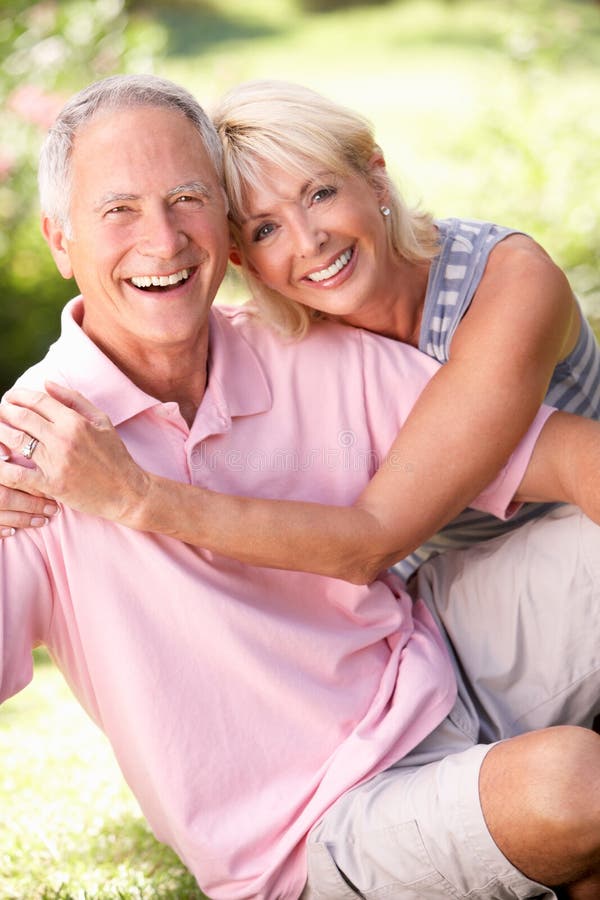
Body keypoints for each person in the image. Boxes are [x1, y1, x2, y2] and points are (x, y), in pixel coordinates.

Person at [1, 73, 600, 900]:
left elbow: (572, 458)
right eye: (119, 211)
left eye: (187, 199)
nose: (165, 240)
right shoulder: (34, 452)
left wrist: (141, 497)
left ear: (222, 222)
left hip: (439, 672)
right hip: (313, 826)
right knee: (577, 787)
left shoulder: (301, 349)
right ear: (60, 240)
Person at [2, 80, 598, 585]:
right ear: (239, 256)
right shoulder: (293, 341)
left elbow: (375, 537)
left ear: (376, 178)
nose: (308, 241)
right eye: (265, 230)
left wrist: (136, 497)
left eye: (321, 193)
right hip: (442, 602)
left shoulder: (506, 281)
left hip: (565, 550)